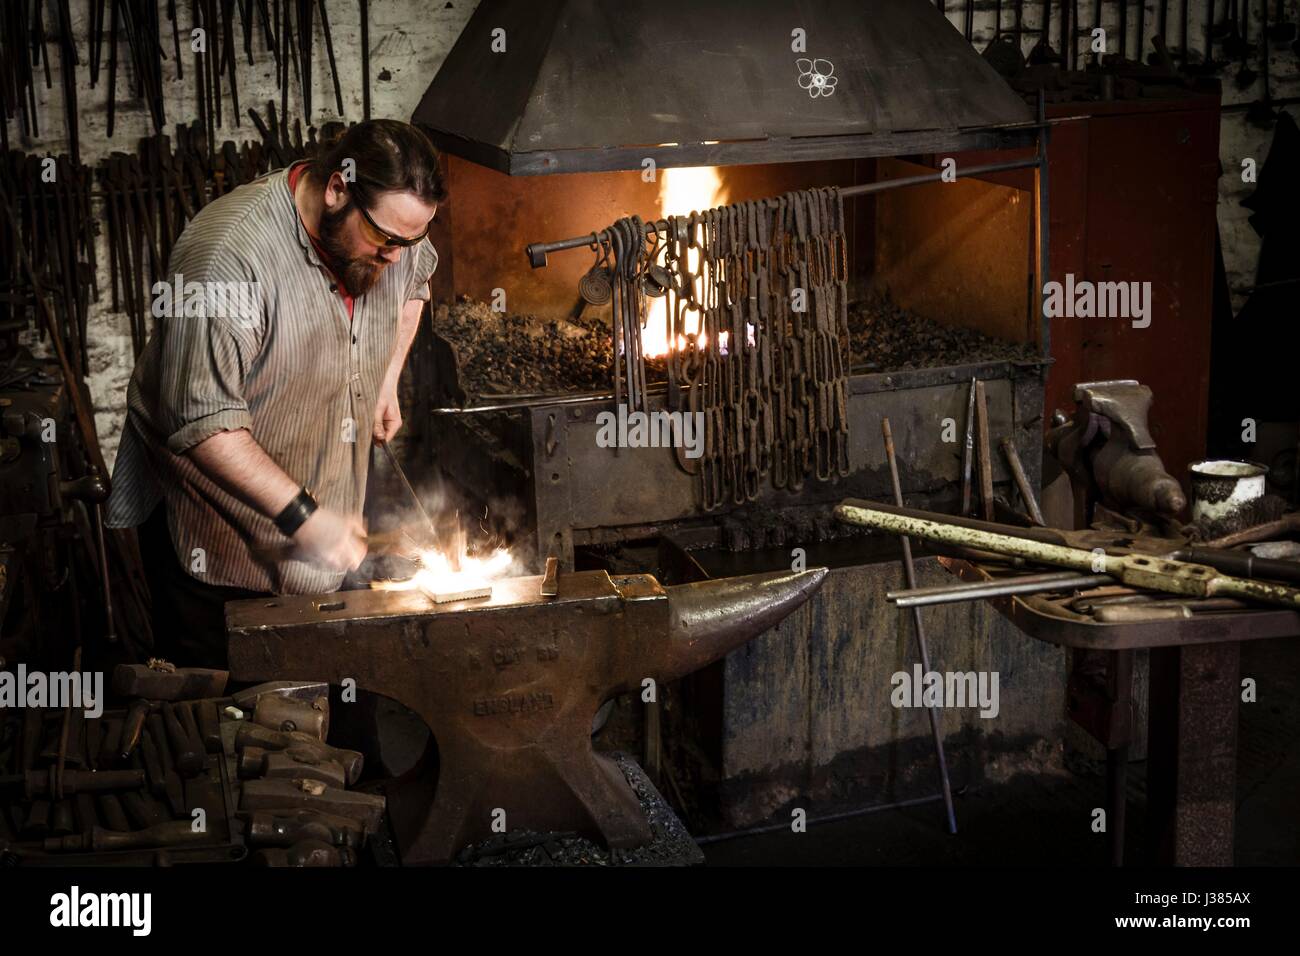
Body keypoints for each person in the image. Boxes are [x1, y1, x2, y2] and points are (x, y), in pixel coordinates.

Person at [106, 120, 444, 668]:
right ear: (337, 189)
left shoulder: (398, 244)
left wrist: (385, 381)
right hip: (217, 535)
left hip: (327, 498)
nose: (398, 257)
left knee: (344, 702)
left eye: (413, 238)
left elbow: (417, 282)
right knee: (235, 717)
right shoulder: (226, 261)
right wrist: (306, 519)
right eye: (386, 239)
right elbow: (203, 423)